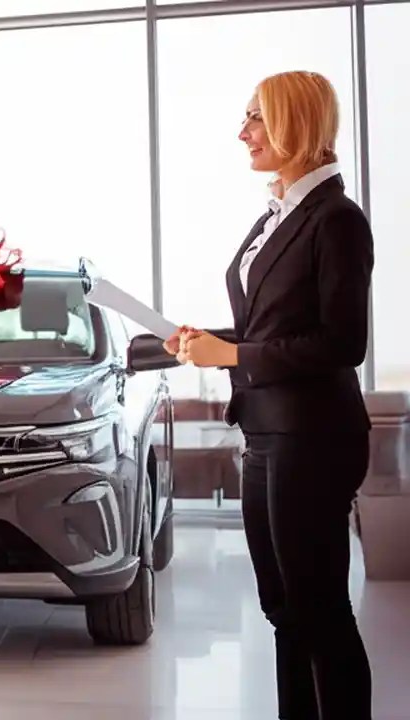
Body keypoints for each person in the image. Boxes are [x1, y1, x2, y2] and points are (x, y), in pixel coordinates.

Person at [168, 70, 373, 720]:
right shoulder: (277, 215)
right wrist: (215, 340)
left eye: (256, 118)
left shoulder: (336, 219)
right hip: (266, 432)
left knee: (320, 612)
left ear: (294, 124)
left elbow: (342, 343)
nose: (243, 132)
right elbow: (275, 327)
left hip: (313, 437)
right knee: (285, 611)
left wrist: (232, 355)